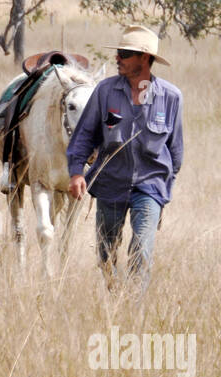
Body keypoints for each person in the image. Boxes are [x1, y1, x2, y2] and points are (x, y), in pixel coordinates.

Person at [66, 25, 184, 294]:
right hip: (110, 185)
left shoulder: (171, 97)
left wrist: (164, 191)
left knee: (141, 250)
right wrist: (76, 172)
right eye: (118, 53)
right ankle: (113, 298)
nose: (117, 58)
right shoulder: (105, 92)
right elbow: (84, 135)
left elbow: (175, 152)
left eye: (124, 54)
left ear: (144, 58)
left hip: (150, 188)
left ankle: (133, 308)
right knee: (105, 253)